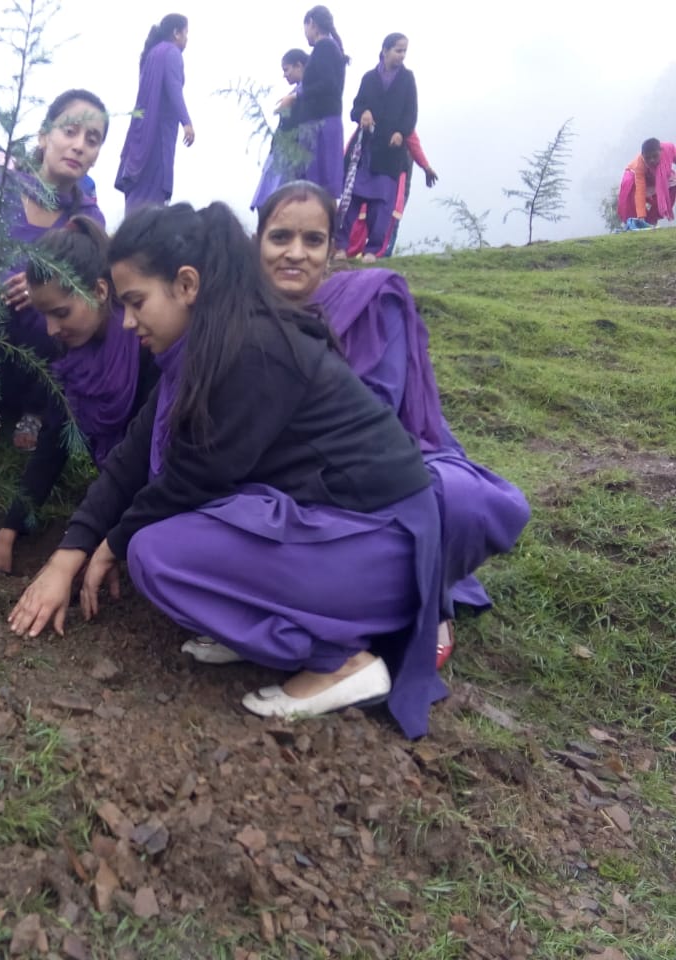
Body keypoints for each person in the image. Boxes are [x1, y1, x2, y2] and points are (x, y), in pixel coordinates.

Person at [8, 201, 448, 739]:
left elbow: (194, 478)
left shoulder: (252, 350)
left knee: (156, 554)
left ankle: (341, 660)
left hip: (379, 547)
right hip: (332, 528)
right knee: (165, 540)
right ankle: (257, 626)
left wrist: (110, 545)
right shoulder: (197, 352)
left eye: (136, 301)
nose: (128, 321)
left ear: (187, 284)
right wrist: (66, 556)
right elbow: (130, 460)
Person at [255, 180, 531, 667]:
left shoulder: (370, 299)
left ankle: (430, 597)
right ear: (258, 244)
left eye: (313, 240)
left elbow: (384, 404)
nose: (294, 254)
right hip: (284, 467)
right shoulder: (242, 319)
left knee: (463, 499)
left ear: (333, 249)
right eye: (280, 238)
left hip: (387, 456)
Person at [0, 217, 160, 574]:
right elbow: (53, 444)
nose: (51, 329)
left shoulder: (148, 347)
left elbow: (144, 454)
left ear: (100, 291)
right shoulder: (71, 357)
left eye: (61, 313)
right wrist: (7, 535)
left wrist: (104, 539)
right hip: (117, 487)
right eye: (43, 314)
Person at [0, 90, 109, 450]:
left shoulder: (88, 221)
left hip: (44, 353)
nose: (79, 146)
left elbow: (94, 299)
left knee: (53, 311)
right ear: (44, 136)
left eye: (92, 140)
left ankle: (37, 409)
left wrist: (45, 292)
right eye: (70, 131)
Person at [337, 33, 418, 262]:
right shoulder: (369, 78)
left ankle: (373, 251)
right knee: (351, 199)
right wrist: (363, 113)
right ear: (385, 50)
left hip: (390, 154)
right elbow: (355, 108)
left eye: (404, 51)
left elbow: (411, 114)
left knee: (381, 205)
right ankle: (341, 246)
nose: (401, 55)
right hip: (365, 151)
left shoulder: (407, 79)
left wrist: (400, 133)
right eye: (398, 50)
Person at [114, 14, 194, 214]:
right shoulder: (172, 53)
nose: (187, 39)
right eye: (186, 33)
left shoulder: (151, 54)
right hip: (158, 135)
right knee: (152, 202)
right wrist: (187, 122)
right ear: (176, 33)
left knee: (137, 199)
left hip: (139, 138)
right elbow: (174, 89)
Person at [273, 6, 348, 201]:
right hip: (321, 122)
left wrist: (296, 96)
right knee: (317, 186)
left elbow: (327, 83)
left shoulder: (325, 48)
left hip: (321, 124)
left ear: (312, 24)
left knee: (319, 187)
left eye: (305, 28)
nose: (305, 33)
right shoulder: (329, 49)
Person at [344, 130, 438, 258]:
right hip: (373, 175)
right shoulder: (374, 116)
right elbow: (355, 142)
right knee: (368, 215)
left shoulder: (404, 125)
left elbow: (414, 144)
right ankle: (361, 252)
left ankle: (379, 254)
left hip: (397, 179)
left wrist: (426, 168)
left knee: (388, 218)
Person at [250, 48, 310, 210]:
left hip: (291, 152)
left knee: (277, 199)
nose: (285, 75)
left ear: (299, 66)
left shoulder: (306, 93)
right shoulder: (297, 91)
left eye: (287, 69)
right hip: (281, 150)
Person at [617, 138, 676, 227]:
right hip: (634, 177)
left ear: (661, 151)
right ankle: (639, 223)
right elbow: (640, 192)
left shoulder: (669, 148)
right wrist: (641, 216)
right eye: (647, 158)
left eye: (655, 156)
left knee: (672, 183)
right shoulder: (639, 165)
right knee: (633, 199)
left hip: (655, 177)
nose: (651, 160)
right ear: (643, 156)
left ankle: (652, 220)